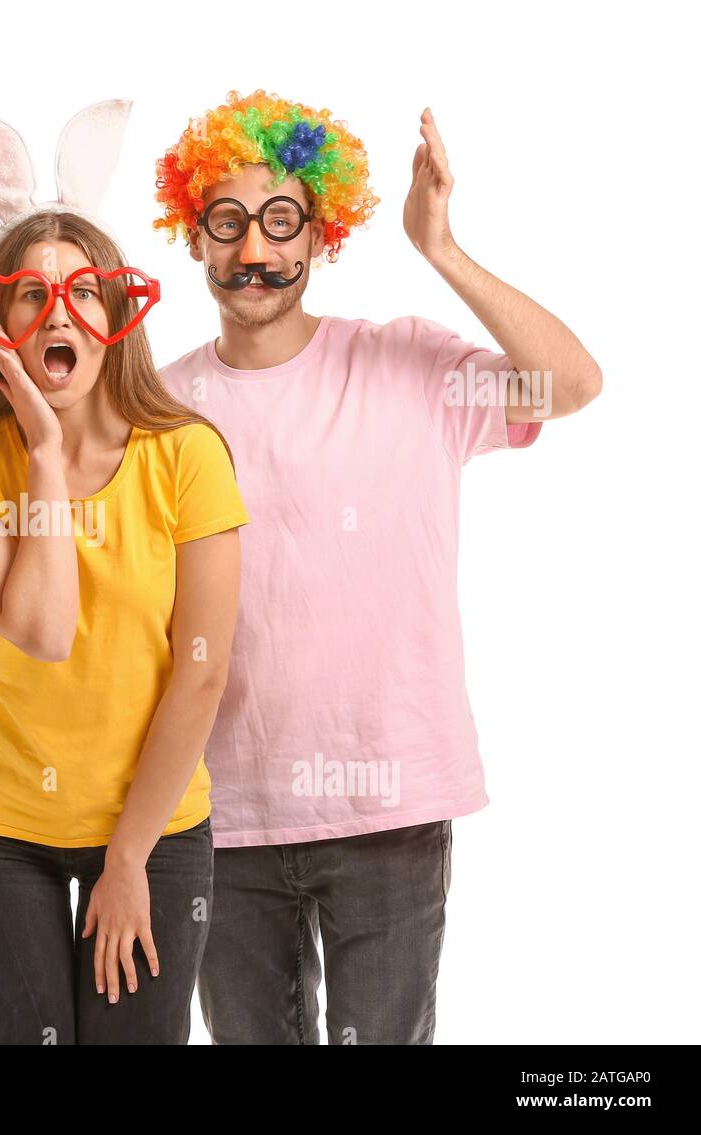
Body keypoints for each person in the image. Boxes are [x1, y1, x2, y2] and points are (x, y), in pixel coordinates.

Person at [153, 90, 603, 1044]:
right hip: (218, 812)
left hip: (389, 801)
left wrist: (441, 248)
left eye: (281, 222)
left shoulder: (411, 367)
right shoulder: (162, 407)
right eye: (226, 224)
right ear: (194, 238)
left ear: (322, 233)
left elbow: (572, 385)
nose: (253, 252)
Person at [0, 197, 248, 1044]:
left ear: (114, 320)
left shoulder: (188, 454)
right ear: (2, 327)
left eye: (82, 292)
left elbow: (202, 670)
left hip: (153, 820)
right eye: (31, 294)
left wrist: (129, 858)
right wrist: (43, 453)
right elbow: (43, 630)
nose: (57, 310)